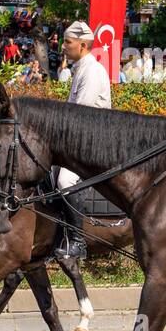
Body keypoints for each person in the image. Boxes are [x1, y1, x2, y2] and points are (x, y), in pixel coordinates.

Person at [56, 20, 111, 257]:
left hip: (92, 141)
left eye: (67, 42)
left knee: (65, 182)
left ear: (82, 45)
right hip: (80, 138)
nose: (63, 47)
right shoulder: (81, 69)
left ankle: (77, 241)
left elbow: (80, 115)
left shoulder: (92, 71)